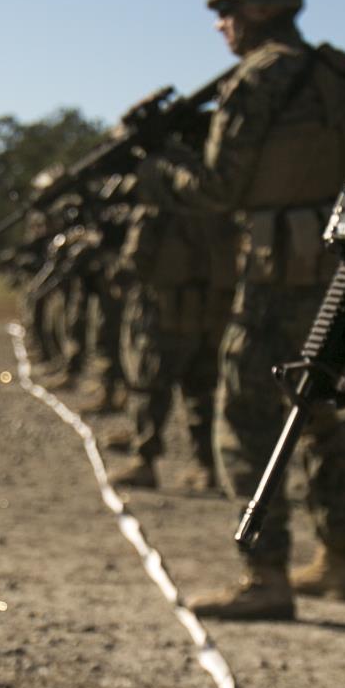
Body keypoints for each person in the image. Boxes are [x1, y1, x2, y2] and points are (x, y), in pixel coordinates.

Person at [144, 0, 345, 618]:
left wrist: (160, 170)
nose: (221, 25)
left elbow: (219, 189)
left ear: (259, 8)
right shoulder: (343, 73)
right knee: (322, 417)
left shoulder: (257, 79)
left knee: (246, 419)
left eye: (226, 10)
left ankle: (266, 575)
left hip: (280, 277)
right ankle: (339, 560)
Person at [110, 189, 235, 491]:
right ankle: (206, 467)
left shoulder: (156, 208)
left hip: (166, 314)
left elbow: (135, 261)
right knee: (202, 392)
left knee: (150, 389)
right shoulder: (217, 202)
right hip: (212, 313)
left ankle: (144, 461)